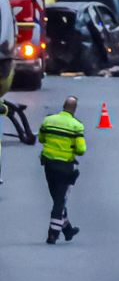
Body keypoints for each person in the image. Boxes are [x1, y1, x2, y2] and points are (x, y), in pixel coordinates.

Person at [37, 96, 85, 244]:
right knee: (60, 200)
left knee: (56, 196)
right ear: (74, 109)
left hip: (49, 164)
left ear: (63, 106)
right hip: (65, 167)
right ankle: (53, 233)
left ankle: (67, 229)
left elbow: (41, 138)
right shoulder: (76, 126)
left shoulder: (48, 120)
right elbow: (81, 149)